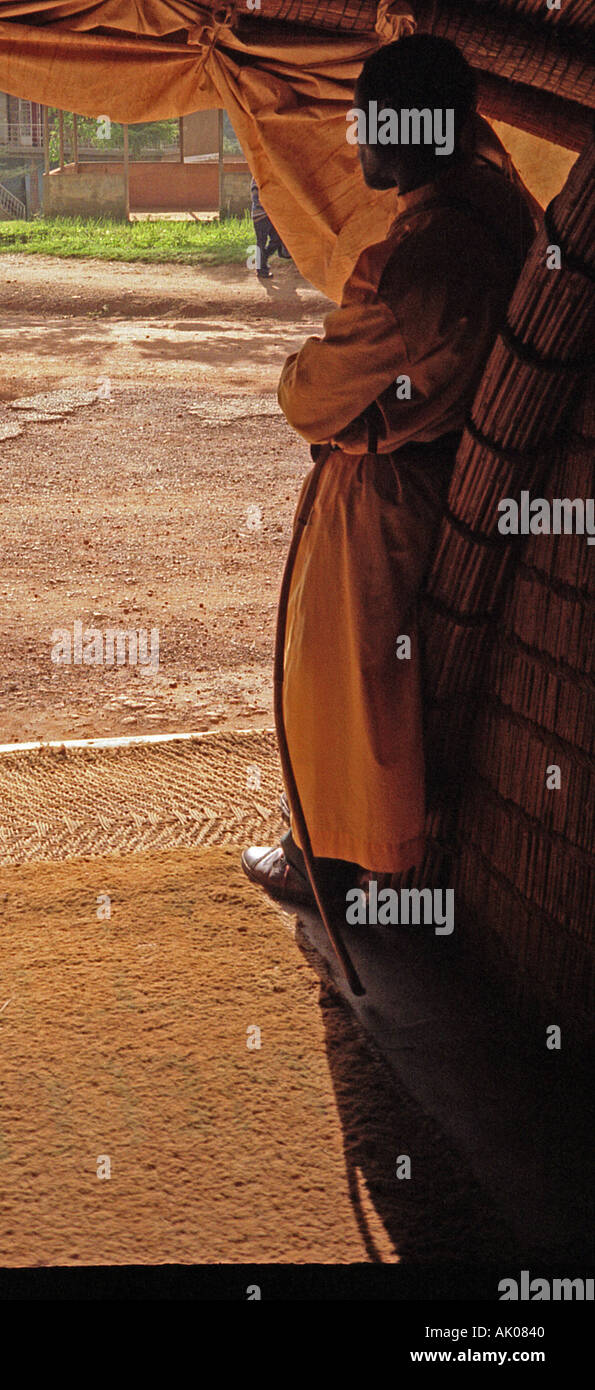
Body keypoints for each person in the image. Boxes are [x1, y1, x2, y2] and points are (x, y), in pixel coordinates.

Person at [241, 34, 538, 914]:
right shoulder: (498, 209)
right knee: (376, 673)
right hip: (439, 475)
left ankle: (336, 860)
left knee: (347, 676)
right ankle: (352, 848)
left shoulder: (413, 260)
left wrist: (297, 375)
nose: (355, 141)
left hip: (387, 490)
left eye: (365, 122)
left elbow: (309, 396)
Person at [250, 174, 291, 283]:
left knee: (277, 239)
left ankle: (262, 260)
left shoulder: (271, 177)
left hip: (271, 215)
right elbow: (256, 197)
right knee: (261, 242)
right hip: (260, 215)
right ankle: (261, 270)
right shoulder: (257, 177)